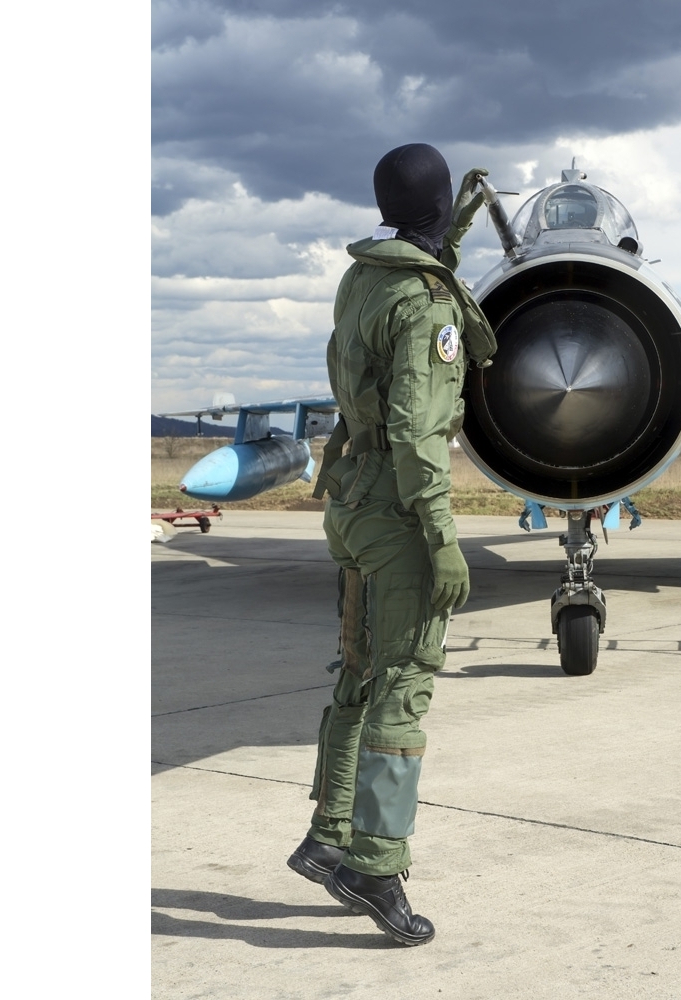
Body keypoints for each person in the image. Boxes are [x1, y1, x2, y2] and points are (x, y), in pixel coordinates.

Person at [286, 143, 496, 947]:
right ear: (433, 208)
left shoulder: (365, 277)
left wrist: (455, 228)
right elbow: (415, 428)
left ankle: (328, 836)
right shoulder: (426, 304)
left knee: (360, 670)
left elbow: (416, 275)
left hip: (351, 502)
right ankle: (375, 868)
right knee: (404, 685)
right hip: (400, 511)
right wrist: (442, 538)